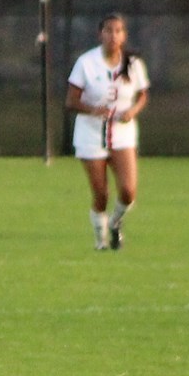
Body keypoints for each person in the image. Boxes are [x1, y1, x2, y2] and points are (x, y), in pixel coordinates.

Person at [66, 13, 150, 251]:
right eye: (108, 31)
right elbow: (71, 101)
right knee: (101, 193)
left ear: (124, 36)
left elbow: (143, 94)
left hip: (122, 133)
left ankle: (115, 223)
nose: (113, 36)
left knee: (128, 190)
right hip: (90, 134)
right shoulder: (86, 62)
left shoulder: (133, 63)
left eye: (118, 31)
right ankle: (100, 241)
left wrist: (133, 110)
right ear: (99, 34)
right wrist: (93, 109)